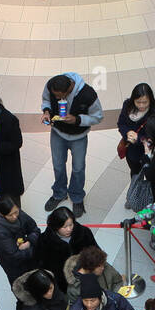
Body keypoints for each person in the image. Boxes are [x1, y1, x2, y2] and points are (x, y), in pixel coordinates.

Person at [42, 72, 104, 214]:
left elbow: (98, 116)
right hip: (57, 133)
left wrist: (77, 120)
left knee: (78, 168)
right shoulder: (51, 85)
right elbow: (46, 99)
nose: (56, 99)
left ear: (69, 89)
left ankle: (76, 197)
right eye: (55, 95)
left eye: (59, 96)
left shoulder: (88, 94)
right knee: (58, 165)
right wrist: (46, 111)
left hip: (79, 137)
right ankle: (59, 193)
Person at [39, 207, 97, 293]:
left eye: (71, 225)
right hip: (62, 283)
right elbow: (41, 264)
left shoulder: (84, 232)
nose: (69, 229)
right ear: (56, 226)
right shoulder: (45, 240)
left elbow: (95, 251)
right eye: (64, 227)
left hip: (86, 276)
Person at [0, 196, 41, 287]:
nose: (14, 216)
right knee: (22, 287)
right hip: (15, 267)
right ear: (2, 214)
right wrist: (35, 250)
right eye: (10, 215)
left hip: (28, 256)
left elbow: (35, 230)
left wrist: (29, 242)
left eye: (16, 212)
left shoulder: (20, 214)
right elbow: (14, 256)